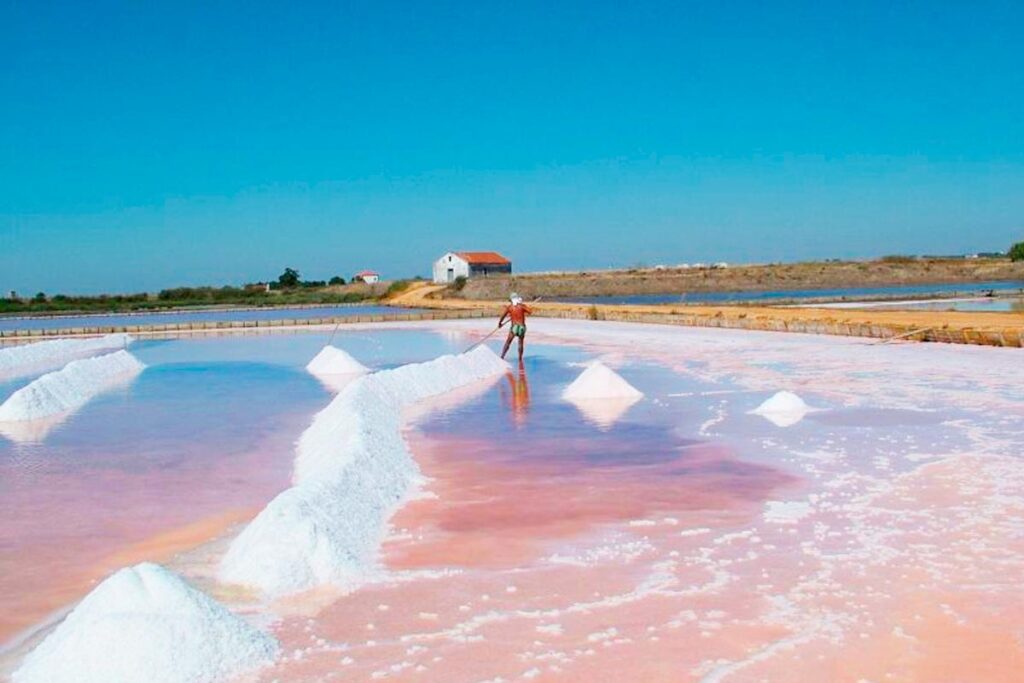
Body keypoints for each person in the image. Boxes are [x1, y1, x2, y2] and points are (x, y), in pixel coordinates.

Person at [499, 292, 532, 362]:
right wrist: (526, 307)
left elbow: (503, 316)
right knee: (520, 343)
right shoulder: (522, 306)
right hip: (521, 327)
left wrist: (500, 323)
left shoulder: (510, 307)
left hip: (514, 327)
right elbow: (530, 311)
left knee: (508, 342)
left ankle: (502, 356)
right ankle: (520, 358)